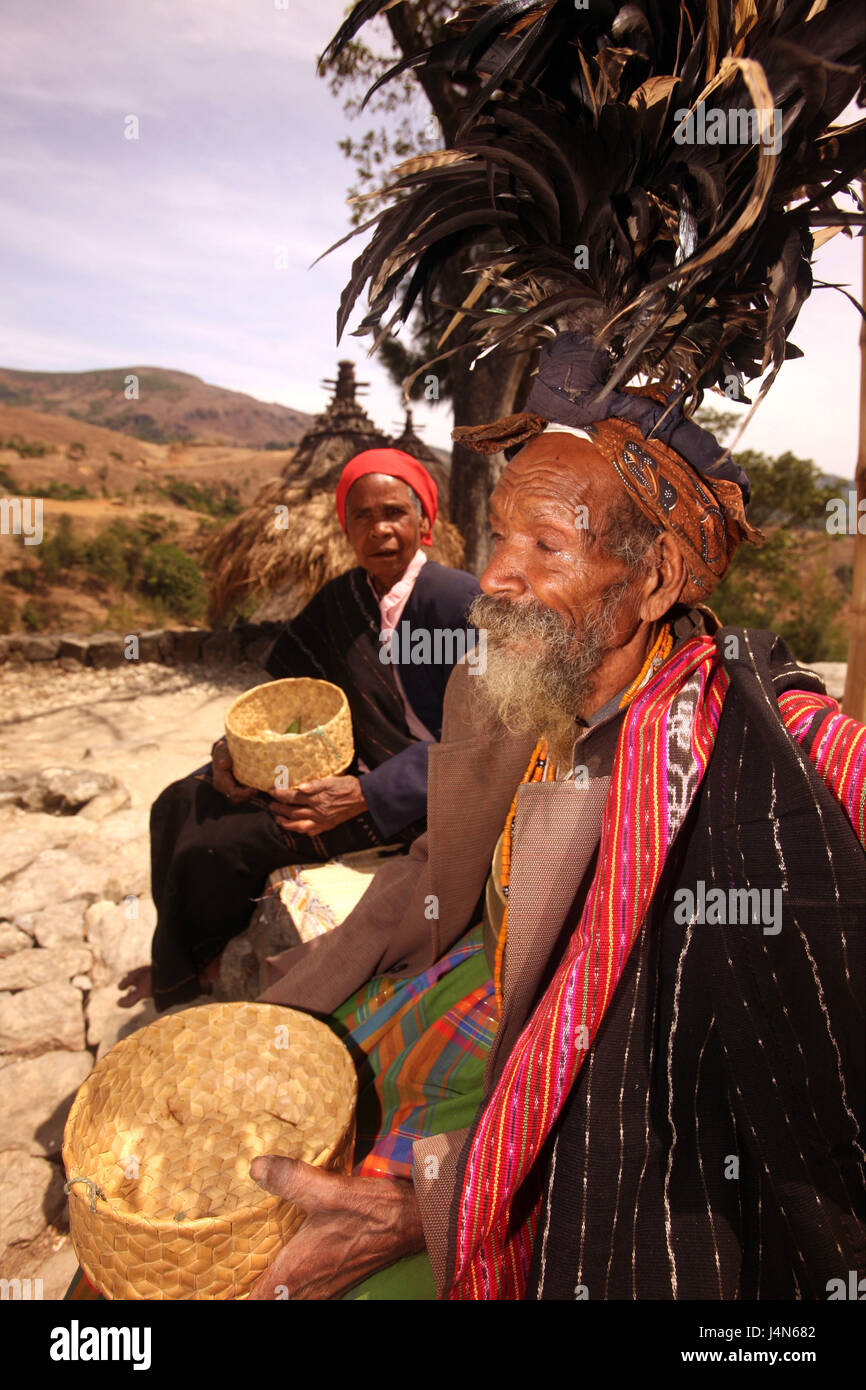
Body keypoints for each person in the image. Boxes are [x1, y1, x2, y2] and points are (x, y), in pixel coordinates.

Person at [244, 348, 865, 1302]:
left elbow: (679, 1100)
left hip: (586, 1099)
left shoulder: (736, 754)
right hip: (471, 985)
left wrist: (438, 1208)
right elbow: (440, 864)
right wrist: (301, 996)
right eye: (499, 533)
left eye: (547, 544)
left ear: (654, 580)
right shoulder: (505, 682)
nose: (495, 575)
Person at [119, 448, 480, 1012]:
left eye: (394, 512)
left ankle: (199, 969)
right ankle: (179, 957)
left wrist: (364, 794)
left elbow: (480, 742)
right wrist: (231, 752)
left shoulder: (455, 600)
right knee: (180, 800)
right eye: (362, 516)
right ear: (346, 528)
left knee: (221, 842)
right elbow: (290, 699)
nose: (379, 529)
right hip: (343, 763)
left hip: (409, 796)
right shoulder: (344, 599)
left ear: (423, 521)